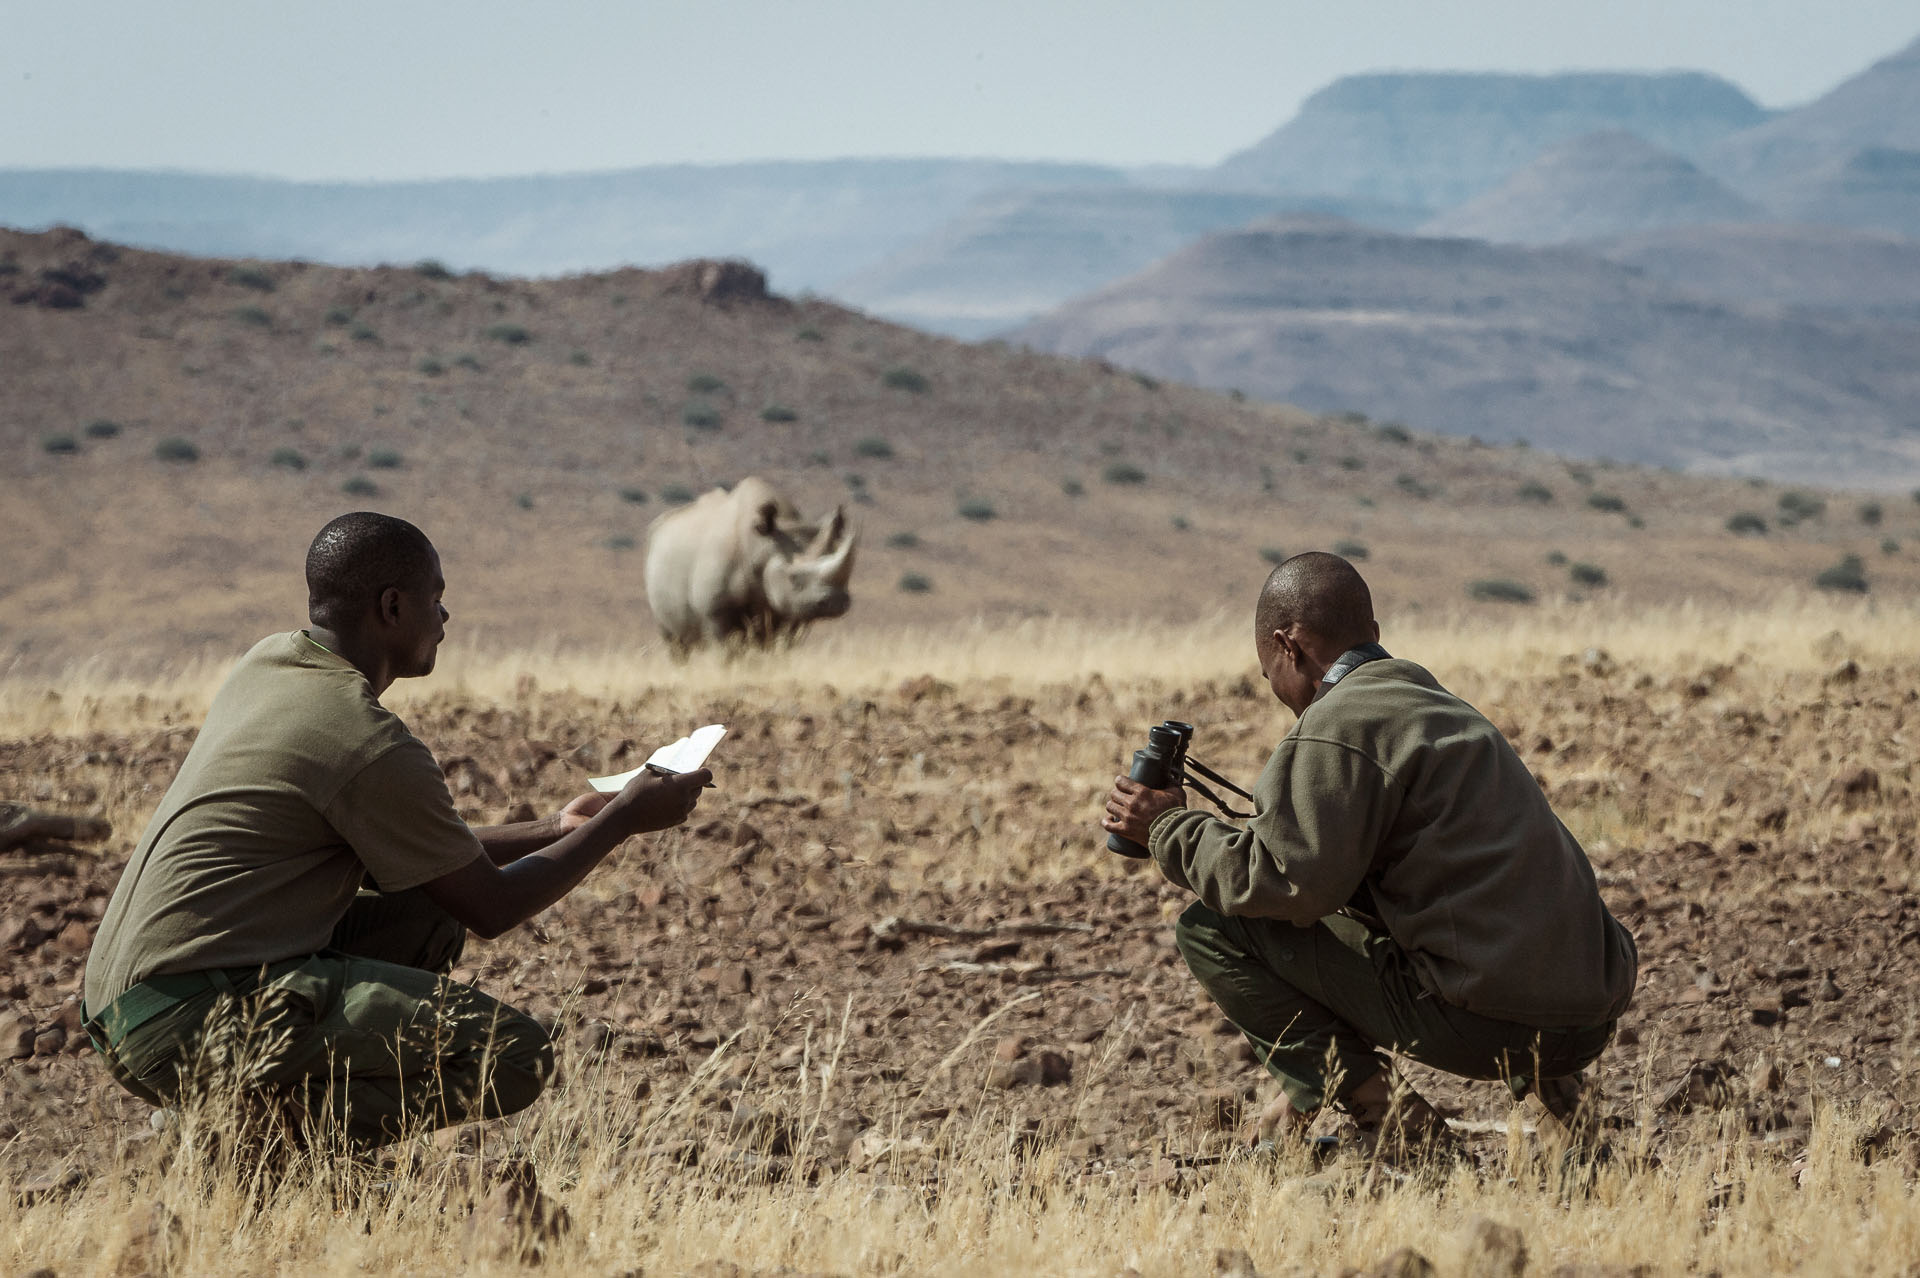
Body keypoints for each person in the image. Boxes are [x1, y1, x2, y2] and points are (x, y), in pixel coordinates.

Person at [83, 512, 712, 1150]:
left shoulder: (269, 665)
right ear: (392, 607)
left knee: (426, 914)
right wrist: (624, 819)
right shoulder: (363, 739)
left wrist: (556, 827)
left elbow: (433, 859)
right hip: (184, 1019)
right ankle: (260, 1139)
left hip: (121, 1003)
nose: (445, 618)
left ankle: (236, 1107)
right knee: (516, 1057)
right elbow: (492, 905)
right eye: (435, 600)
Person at [1102, 552, 1636, 1154]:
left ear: (1288, 647)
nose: (1276, 691)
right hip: (1589, 1012)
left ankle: (1393, 1124)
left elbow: (1281, 886)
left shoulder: (1336, 726)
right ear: (1373, 637)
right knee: (1412, 918)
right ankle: (1570, 1118)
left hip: (1495, 1025)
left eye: (1267, 673)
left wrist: (1168, 827)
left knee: (1213, 929)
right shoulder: (1440, 708)